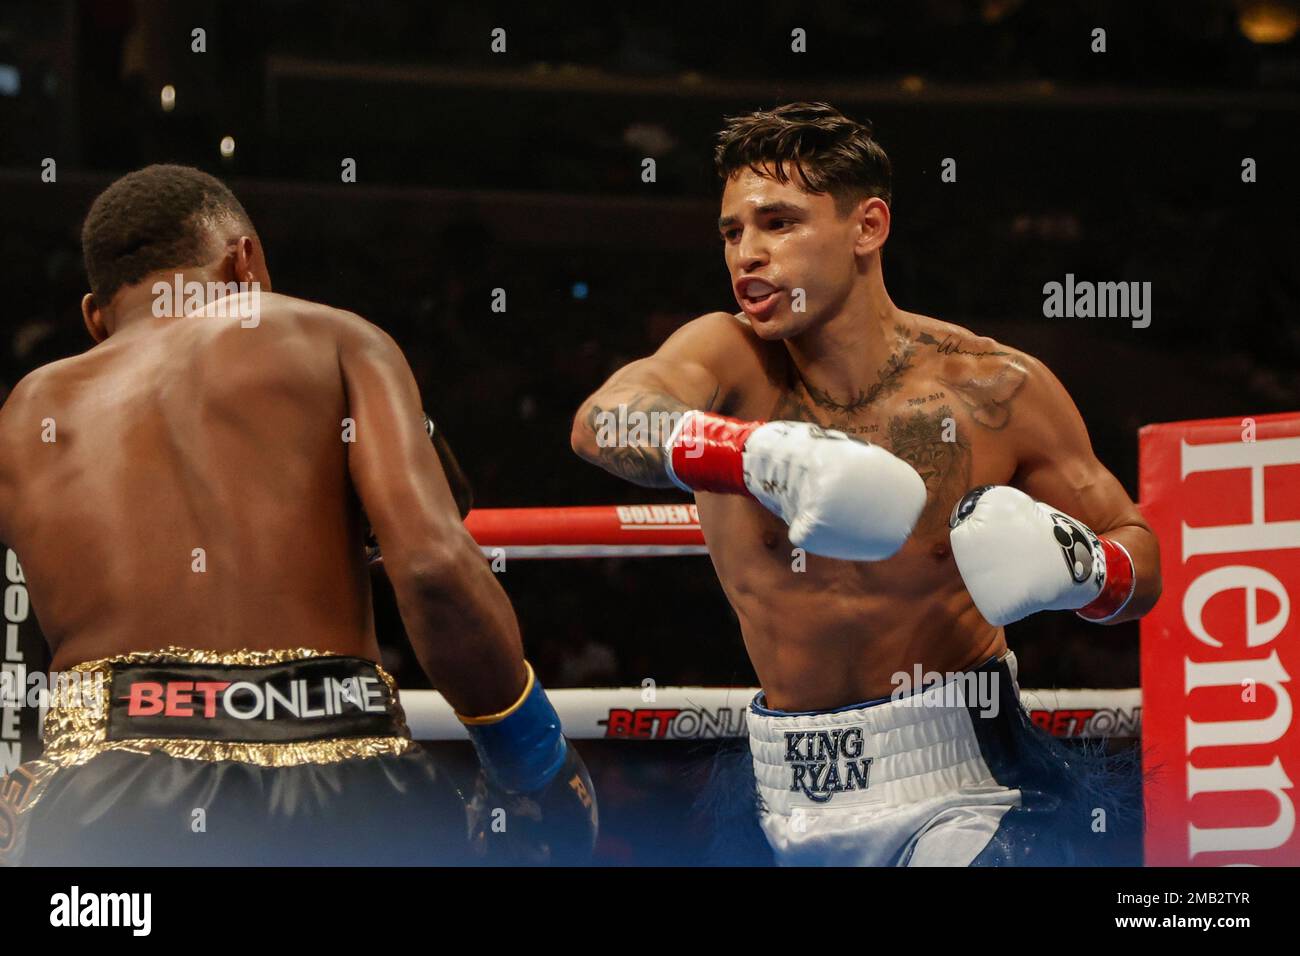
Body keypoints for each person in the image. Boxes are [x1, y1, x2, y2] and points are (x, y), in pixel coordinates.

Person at [572, 103, 1157, 866]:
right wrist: (756, 455)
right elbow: (603, 423)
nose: (747, 253)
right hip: (782, 787)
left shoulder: (995, 388)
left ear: (867, 227)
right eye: (731, 231)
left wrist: (1086, 568)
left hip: (966, 783)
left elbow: (1143, 565)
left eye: (778, 223)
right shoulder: (726, 359)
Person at [0, 164, 595, 866]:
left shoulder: (27, 410)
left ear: (94, 318)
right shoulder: (335, 338)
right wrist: (529, 757)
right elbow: (435, 566)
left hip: (104, 801)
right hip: (342, 780)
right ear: (245, 260)